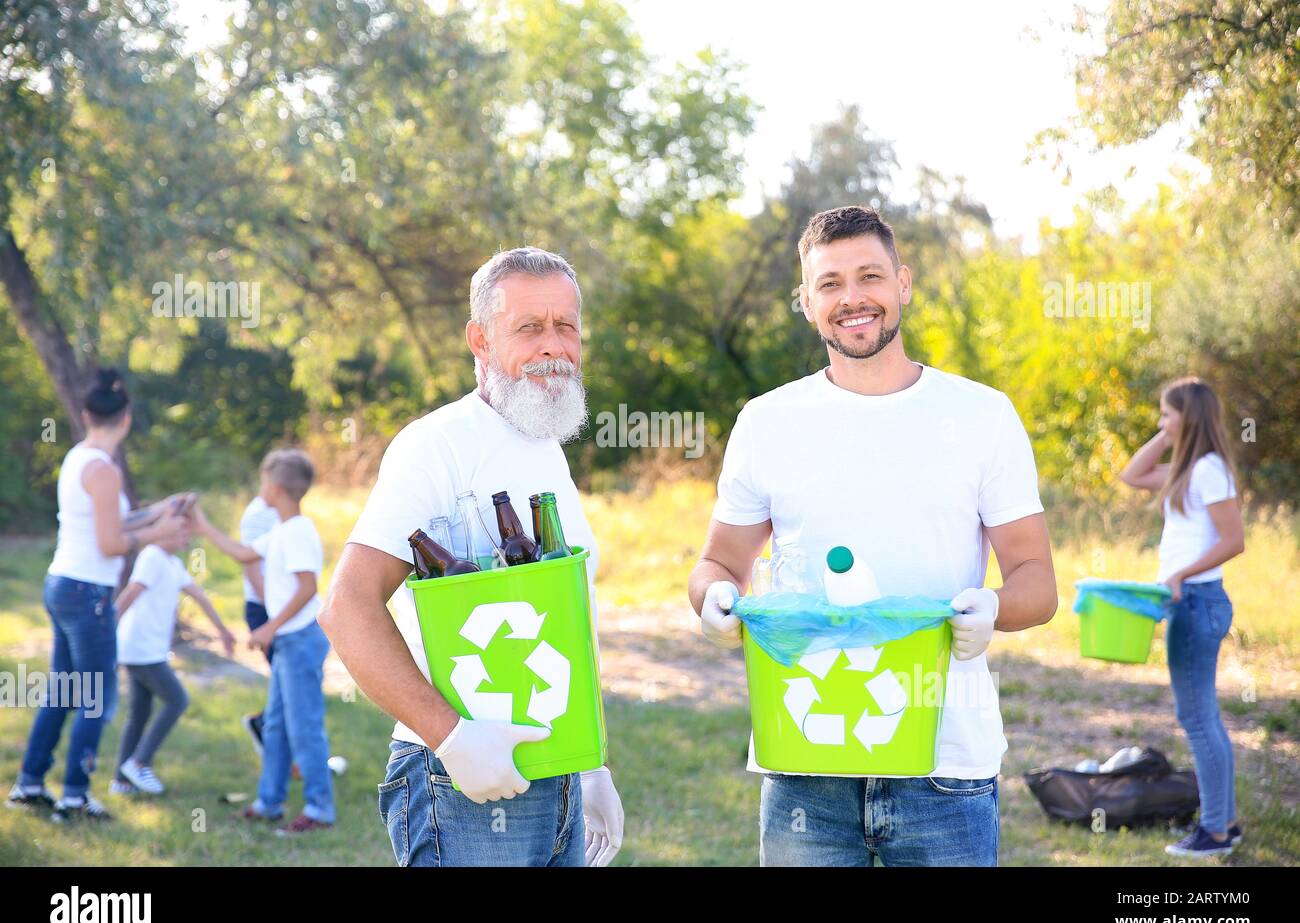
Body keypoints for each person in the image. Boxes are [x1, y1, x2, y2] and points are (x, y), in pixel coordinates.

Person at [688, 206, 1058, 867]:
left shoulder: (980, 416)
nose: (852, 299)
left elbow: (1037, 579)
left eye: (870, 277)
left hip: (944, 763)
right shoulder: (768, 422)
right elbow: (720, 560)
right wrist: (714, 598)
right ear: (805, 301)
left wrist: (996, 609)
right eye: (829, 283)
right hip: (807, 755)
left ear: (904, 284)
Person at [321, 246, 624, 867]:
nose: (552, 346)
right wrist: (454, 740)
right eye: (528, 328)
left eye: (565, 326)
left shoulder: (544, 445)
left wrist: (591, 761)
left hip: (555, 768)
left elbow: (559, 621)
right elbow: (347, 608)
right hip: (459, 785)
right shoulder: (436, 446)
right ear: (479, 340)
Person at [7, 369, 190, 822]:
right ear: (125, 418)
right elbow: (111, 544)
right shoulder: (105, 472)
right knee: (96, 698)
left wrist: (156, 511)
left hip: (63, 583)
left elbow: (109, 526)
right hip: (88, 593)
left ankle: (30, 783)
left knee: (64, 690)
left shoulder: (78, 458)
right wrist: (157, 534)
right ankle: (74, 795)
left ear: (87, 414)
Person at [1118, 377, 1246, 858]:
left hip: (1198, 599)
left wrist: (1180, 574)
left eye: (1167, 414)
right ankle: (1223, 823)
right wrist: (1169, 436)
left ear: (1188, 417)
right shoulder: (1191, 467)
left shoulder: (1210, 470)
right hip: (1188, 601)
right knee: (1201, 716)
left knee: (1197, 718)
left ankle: (1214, 831)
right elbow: (1132, 474)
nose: (1160, 420)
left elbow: (1233, 540)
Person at [192, 449, 335, 834]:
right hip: (288, 642)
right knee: (275, 726)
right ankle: (269, 802)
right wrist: (202, 526)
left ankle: (320, 810)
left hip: (300, 640)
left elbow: (308, 588)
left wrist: (269, 628)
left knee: (304, 727)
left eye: (262, 482)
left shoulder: (299, 533)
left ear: (273, 487)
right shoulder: (281, 530)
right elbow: (243, 553)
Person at [112, 518, 236, 795]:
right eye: (182, 532)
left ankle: (121, 780)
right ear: (164, 530)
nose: (187, 538)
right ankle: (139, 763)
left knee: (139, 712)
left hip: (148, 649)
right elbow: (132, 592)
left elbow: (200, 597)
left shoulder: (172, 564)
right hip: (140, 648)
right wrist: (108, 626)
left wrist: (223, 631)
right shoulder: (152, 556)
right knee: (177, 700)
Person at [236, 492, 280, 760]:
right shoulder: (257, 515)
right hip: (265, 609)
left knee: (289, 688)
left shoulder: (282, 514)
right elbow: (251, 569)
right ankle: (263, 727)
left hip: (280, 611)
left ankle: (286, 757)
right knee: (289, 689)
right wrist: (277, 617)